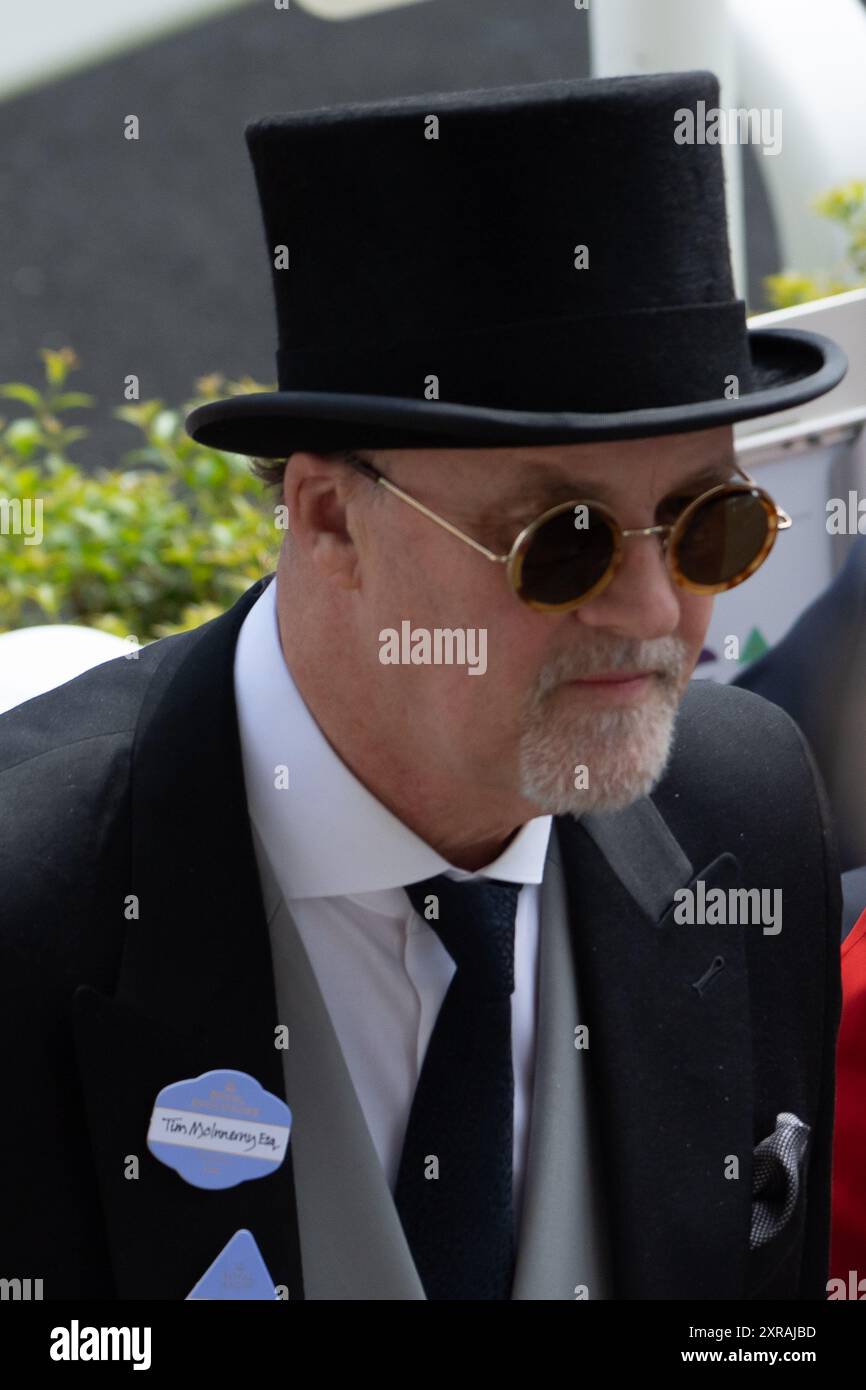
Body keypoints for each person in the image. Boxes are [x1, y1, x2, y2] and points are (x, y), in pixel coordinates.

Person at [0, 71, 849, 1301]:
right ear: (328, 515)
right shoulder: (32, 901)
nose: (657, 611)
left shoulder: (745, 810)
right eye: (562, 540)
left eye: (710, 523)